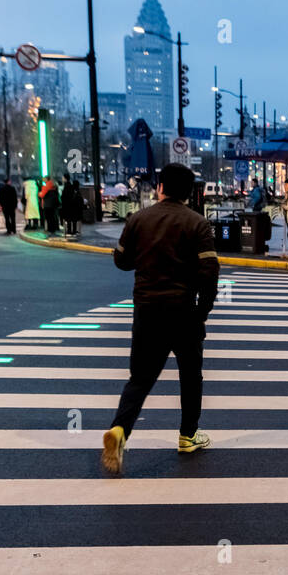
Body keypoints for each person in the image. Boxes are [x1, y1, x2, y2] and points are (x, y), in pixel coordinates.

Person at [101, 163, 220, 474]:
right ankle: (187, 435)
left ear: (161, 187)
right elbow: (210, 274)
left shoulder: (139, 219)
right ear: (189, 192)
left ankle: (119, 431)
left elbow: (121, 261)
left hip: (147, 311)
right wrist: (202, 312)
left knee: (140, 379)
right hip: (184, 312)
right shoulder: (198, 224)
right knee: (190, 376)